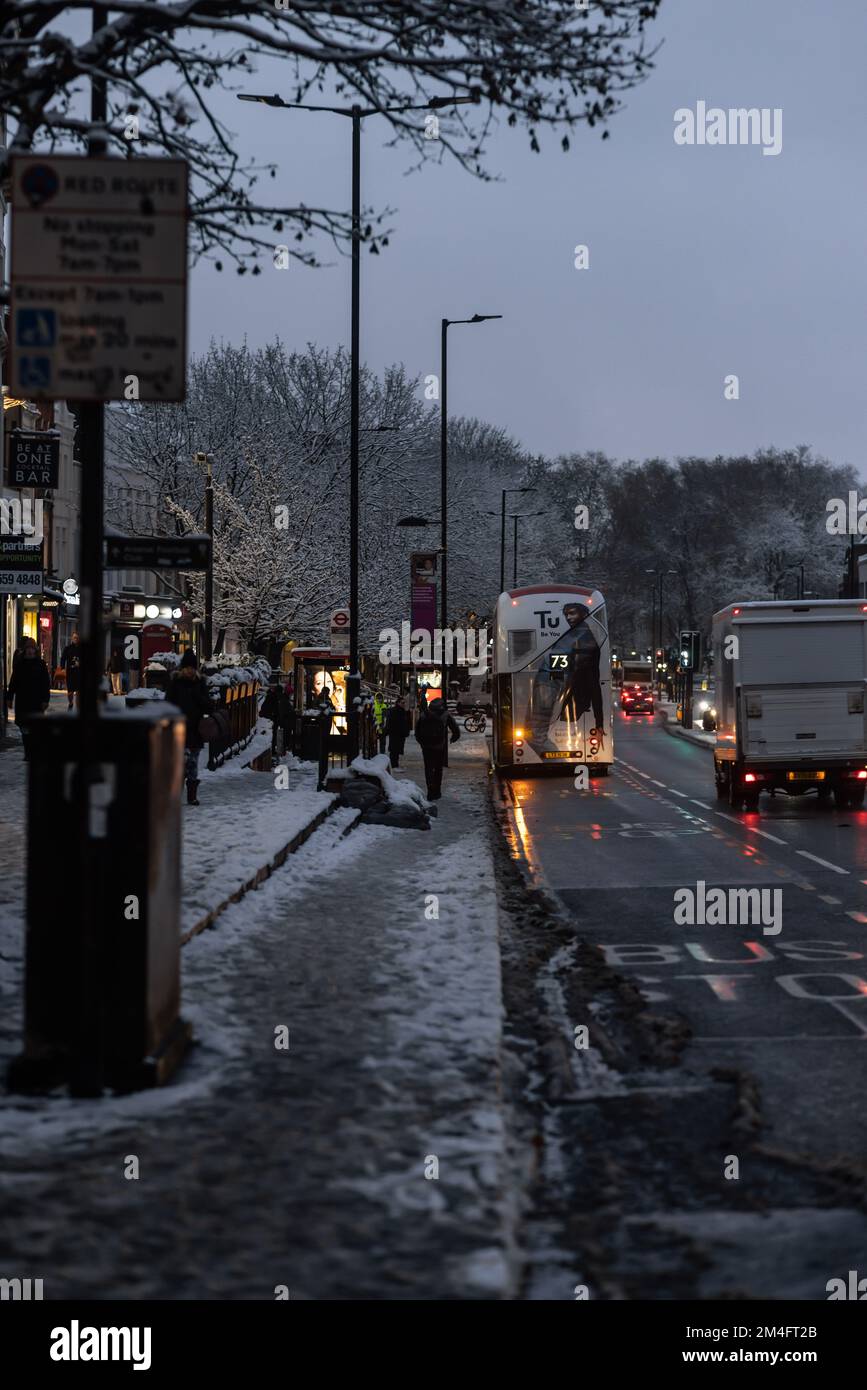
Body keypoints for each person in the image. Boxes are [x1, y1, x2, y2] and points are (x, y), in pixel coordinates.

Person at [165, 649, 213, 806]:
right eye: (187, 668)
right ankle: (175, 795)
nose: (190, 671)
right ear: (182, 668)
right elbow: (168, 704)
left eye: (193, 668)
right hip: (178, 729)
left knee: (192, 763)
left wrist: (198, 697)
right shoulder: (175, 683)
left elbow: (209, 706)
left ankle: (191, 796)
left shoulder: (200, 683)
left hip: (195, 729)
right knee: (180, 763)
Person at [7, 637, 50, 760]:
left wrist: (45, 700)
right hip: (23, 701)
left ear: (35, 650)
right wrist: (10, 697)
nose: (30, 651)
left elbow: (45, 683)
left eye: (32, 648)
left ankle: (33, 751)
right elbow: (13, 682)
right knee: (24, 727)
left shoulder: (40, 664)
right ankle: (28, 751)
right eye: (28, 648)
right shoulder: (20, 664)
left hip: (36, 701)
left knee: (35, 728)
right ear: (25, 650)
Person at [414, 697, 459, 800]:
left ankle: (430, 790)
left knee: (428, 768)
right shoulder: (445, 714)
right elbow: (455, 729)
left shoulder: (424, 714)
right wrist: (453, 738)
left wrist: (422, 742)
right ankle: (437, 791)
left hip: (426, 746)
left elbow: (417, 730)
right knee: (438, 769)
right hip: (439, 746)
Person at [385, 695, 411, 769]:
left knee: (395, 750)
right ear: (398, 703)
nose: (404, 704)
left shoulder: (400, 711)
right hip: (396, 733)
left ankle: (394, 764)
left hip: (397, 733)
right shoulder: (396, 711)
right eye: (402, 703)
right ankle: (394, 765)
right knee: (394, 750)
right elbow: (396, 723)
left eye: (404, 703)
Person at [60, 629, 81, 710]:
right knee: (70, 692)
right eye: (74, 637)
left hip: (79, 673)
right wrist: (62, 668)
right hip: (70, 673)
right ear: (72, 638)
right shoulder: (67, 648)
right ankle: (71, 703)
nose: (76, 639)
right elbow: (63, 658)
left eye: (77, 638)